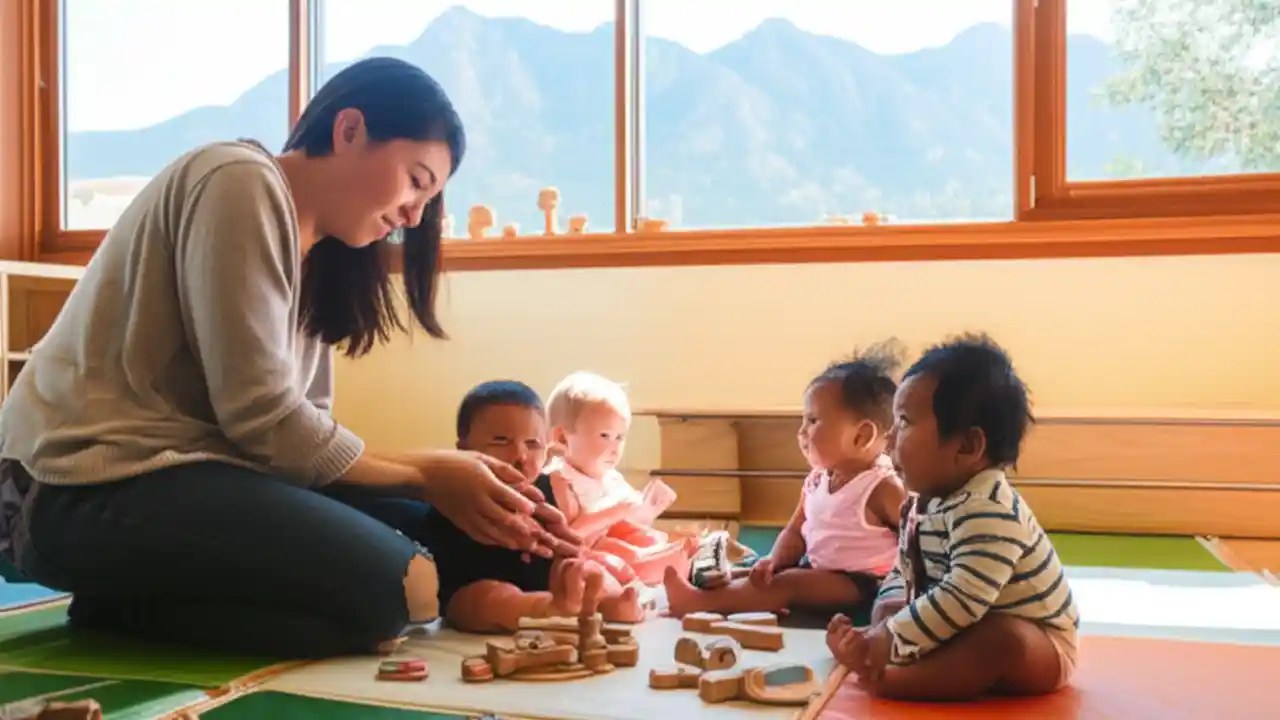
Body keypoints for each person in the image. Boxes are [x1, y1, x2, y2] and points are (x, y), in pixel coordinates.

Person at [0, 57, 578, 659]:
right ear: (349, 129)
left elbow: (301, 446)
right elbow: (266, 421)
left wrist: (475, 505)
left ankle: (154, 593)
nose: (414, 214)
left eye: (427, 198)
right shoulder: (236, 180)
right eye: (415, 180)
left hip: (199, 475)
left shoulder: (321, 251)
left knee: (464, 541)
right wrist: (428, 471)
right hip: (79, 486)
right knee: (399, 589)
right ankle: (118, 601)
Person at [828, 334, 1079, 701]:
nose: (891, 435)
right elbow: (905, 569)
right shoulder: (923, 501)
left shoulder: (989, 509)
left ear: (967, 445)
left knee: (999, 639)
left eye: (905, 421)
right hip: (964, 619)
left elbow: (964, 596)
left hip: (1039, 646)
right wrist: (885, 618)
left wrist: (892, 638)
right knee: (892, 602)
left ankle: (904, 681)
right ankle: (897, 655)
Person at [663, 346, 906, 618]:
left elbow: (918, 536)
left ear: (861, 436)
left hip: (861, 584)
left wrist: (908, 585)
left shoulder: (882, 487)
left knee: (787, 584)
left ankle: (695, 604)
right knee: (757, 574)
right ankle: (715, 589)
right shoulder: (817, 481)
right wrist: (773, 561)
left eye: (813, 421)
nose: (801, 432)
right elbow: (794, 531)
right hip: (815, 569)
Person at [424, 380, 643, 633]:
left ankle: (612, 602)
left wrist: (578, 564)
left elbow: (571, 541)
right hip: (473, 589)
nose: (520, 455)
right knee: (489, 599)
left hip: (543, 580)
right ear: (464, 452)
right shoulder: (455, 495)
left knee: (586, 570)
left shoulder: (550, 489)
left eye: (533, 443)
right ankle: (546, 609)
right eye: (501, 441)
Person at [543, 371, 696, 586]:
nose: (615, 449)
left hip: (612, 542)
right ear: (562, 437)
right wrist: (614, 511)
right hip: (585, 554)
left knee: (648, 537)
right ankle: (668, 567)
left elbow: (630, 521)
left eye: (620, 437)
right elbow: (569, 537)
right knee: (615, 562)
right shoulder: (560, 478)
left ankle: (680, 559)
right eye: (605, 436)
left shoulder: (610, 477)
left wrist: (649, 507)